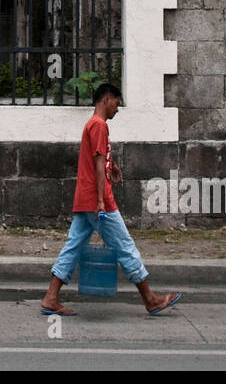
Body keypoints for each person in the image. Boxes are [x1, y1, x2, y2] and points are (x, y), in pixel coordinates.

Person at [40, 82, 183, 316]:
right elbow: (97, 163)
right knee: (125, 246)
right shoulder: (99, 126)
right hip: (98, 200)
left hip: (85, 198)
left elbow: (100, 156)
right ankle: (151, 299)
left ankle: (51, 297)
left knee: (74, 245)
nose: (117, 109)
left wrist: (112, 165)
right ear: (106, 99)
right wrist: (100, 201)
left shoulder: (94, 125)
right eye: (117, 103)